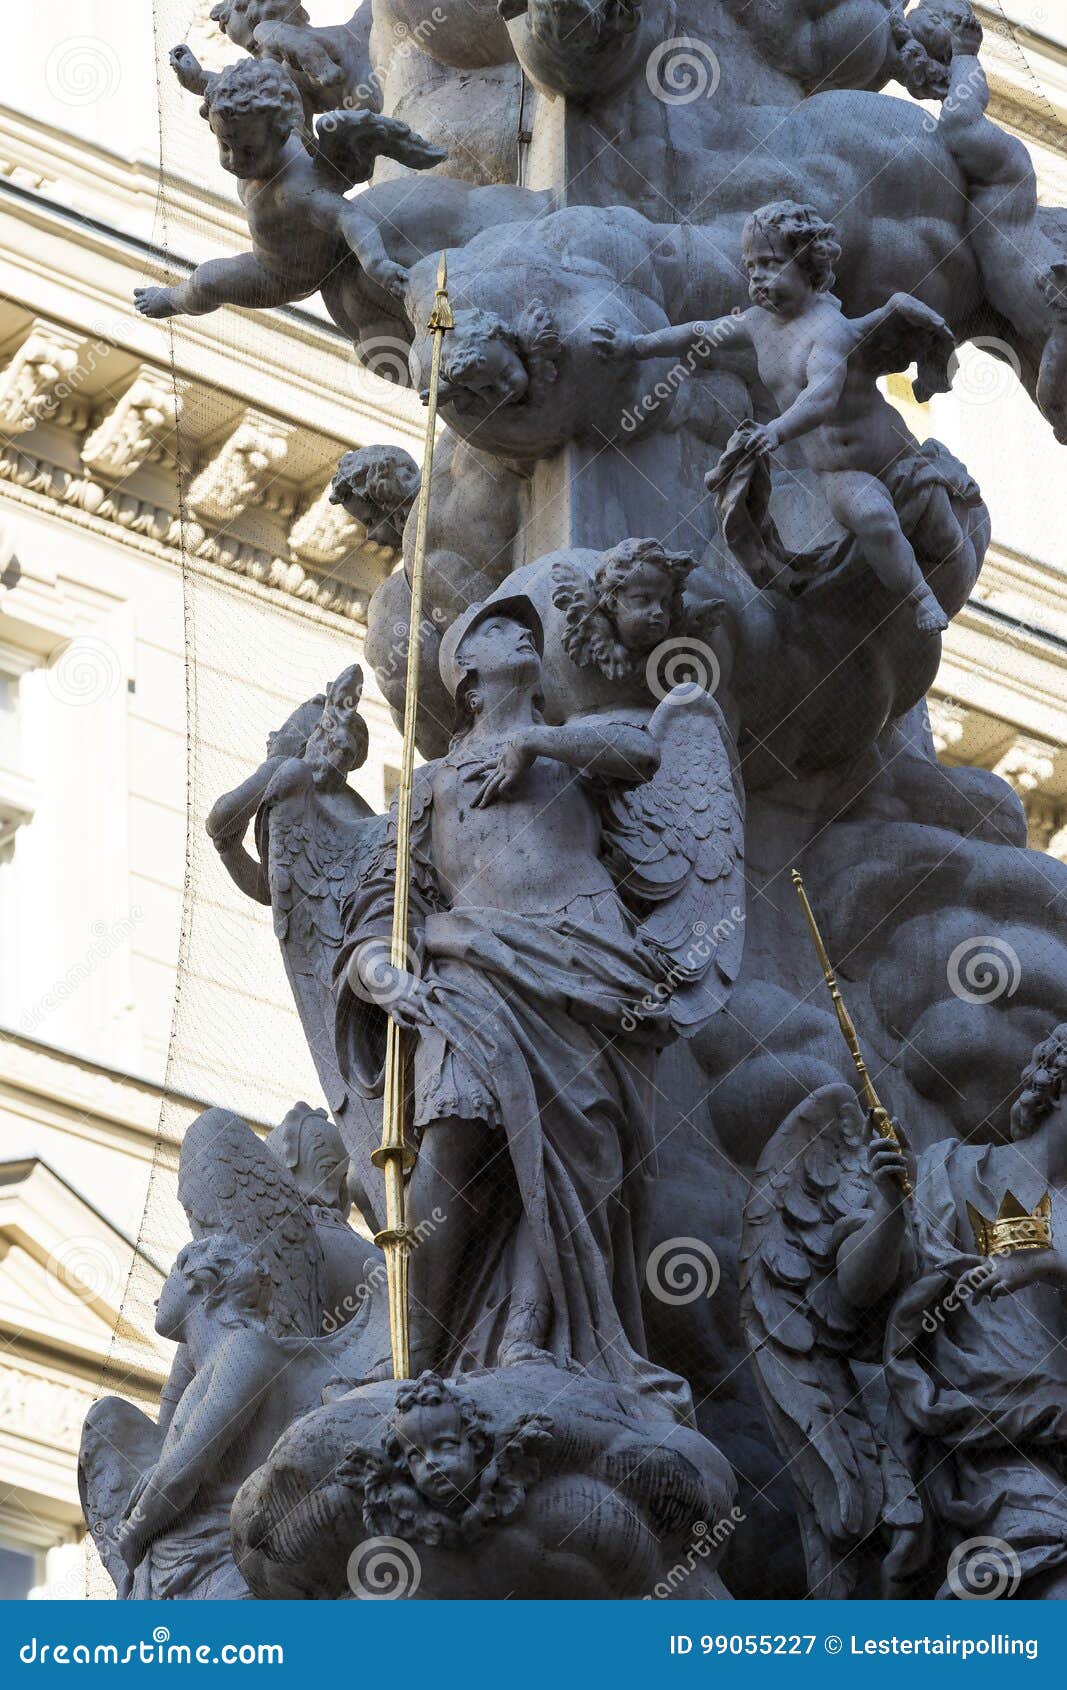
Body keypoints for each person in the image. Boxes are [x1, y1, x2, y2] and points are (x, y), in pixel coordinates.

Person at [593, 200, 979, 633]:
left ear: (807, 265)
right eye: (751, 265)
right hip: (840, 471)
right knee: (874, 519)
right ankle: (920, 598)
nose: (757, 276)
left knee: (946, 537)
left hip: (893, 455)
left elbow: (821, 397)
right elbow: (697, 333)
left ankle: (948, 561)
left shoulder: (829, 329)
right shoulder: (757, 324)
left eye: (771, 263)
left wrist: (775, 431)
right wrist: (636, 345)